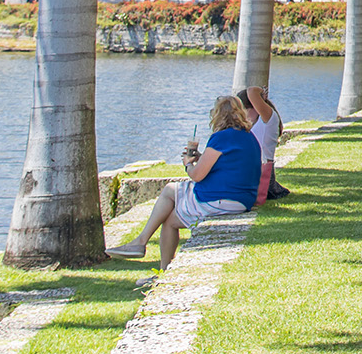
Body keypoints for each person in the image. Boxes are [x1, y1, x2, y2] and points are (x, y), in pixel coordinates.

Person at [108, 94, 260, 265]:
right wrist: (202, 157)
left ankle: (140, 242)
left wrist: (188, 164)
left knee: (169, 190)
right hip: (242, 200)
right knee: (170, 220)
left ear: (217, 115)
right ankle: (162, 271)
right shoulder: (248, 137)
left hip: (220, 200)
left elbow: (197, 175)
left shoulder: (222, 137)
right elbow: (229, 163)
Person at [243, 84, 288, 203]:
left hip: (262, 175)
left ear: (255, 106)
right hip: (256, 171)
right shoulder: (257, 125)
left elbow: (251, 91)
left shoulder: (268, 120)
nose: (242, 114)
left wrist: (261, 92)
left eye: (245, 109)